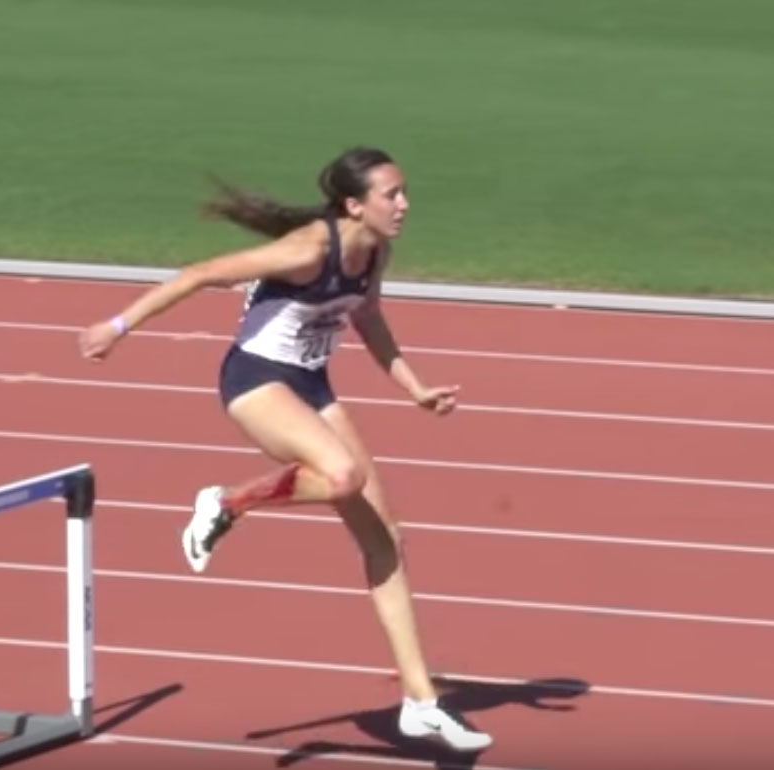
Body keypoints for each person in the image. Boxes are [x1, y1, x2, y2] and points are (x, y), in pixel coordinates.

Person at [78, 146, 493, 753]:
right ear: (355, 204)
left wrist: (415, 388)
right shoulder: (306, 250)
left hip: (312, 385)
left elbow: (369, 318)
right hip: (256, 382)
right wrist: (114, 329)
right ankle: (226, 501)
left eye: (405, 192)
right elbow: (200, 274)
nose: (404, 204)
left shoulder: (375, 250)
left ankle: (421, 704)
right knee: (344, 475)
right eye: (392, 195)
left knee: (386, 541)